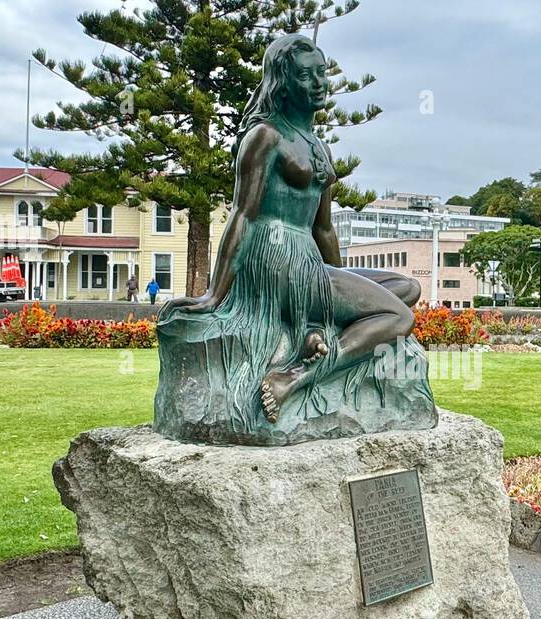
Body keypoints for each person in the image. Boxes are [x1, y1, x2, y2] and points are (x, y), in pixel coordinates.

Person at [158, 34, 419, 427]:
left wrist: (337, 292)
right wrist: (215, 293)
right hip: (276, 260)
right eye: (305, 76)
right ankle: (293, 378)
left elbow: (325, 230)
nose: (319, 83)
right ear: (282, 81)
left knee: (406, 288)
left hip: (309, 263)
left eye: (322, 73)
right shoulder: (265, 136)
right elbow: (242, 215)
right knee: (399, 317)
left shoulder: (319, 148)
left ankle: (316, 330)